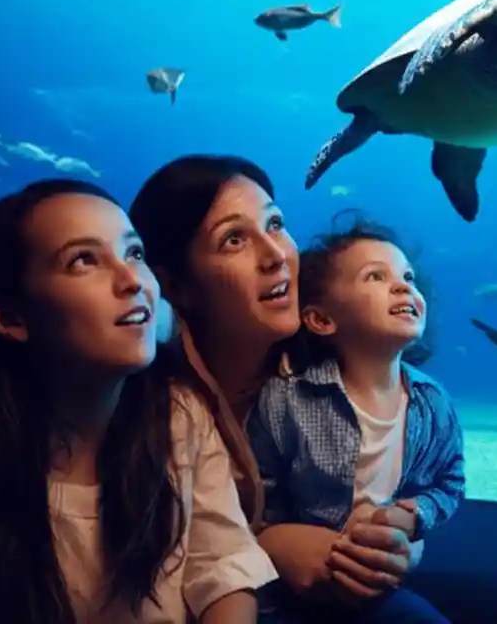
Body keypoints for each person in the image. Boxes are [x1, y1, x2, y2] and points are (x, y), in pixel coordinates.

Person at [0, 178, 277, 623]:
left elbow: (224, 567)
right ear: (9, 316)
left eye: (134, 253)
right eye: (84, 261)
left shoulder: (178, 415)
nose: (131, 280)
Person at [129, 156, 419, 613]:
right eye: (234, 240)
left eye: (275, 225)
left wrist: (396, 548)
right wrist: (270, 546)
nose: (276, 255)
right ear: (176, 285)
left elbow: (408, 490)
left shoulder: (341, 367)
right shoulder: (142, 403)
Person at [247, 214, 464, 623]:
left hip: (377, 588)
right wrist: (277, 542)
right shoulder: (288, 398)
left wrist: (412, 516)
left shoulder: (433, 403)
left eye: (408, 276)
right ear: (321, 319)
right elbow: (257, 493)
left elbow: (450, 481)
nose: (403, 286)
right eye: (375, 277)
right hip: (288, 587)